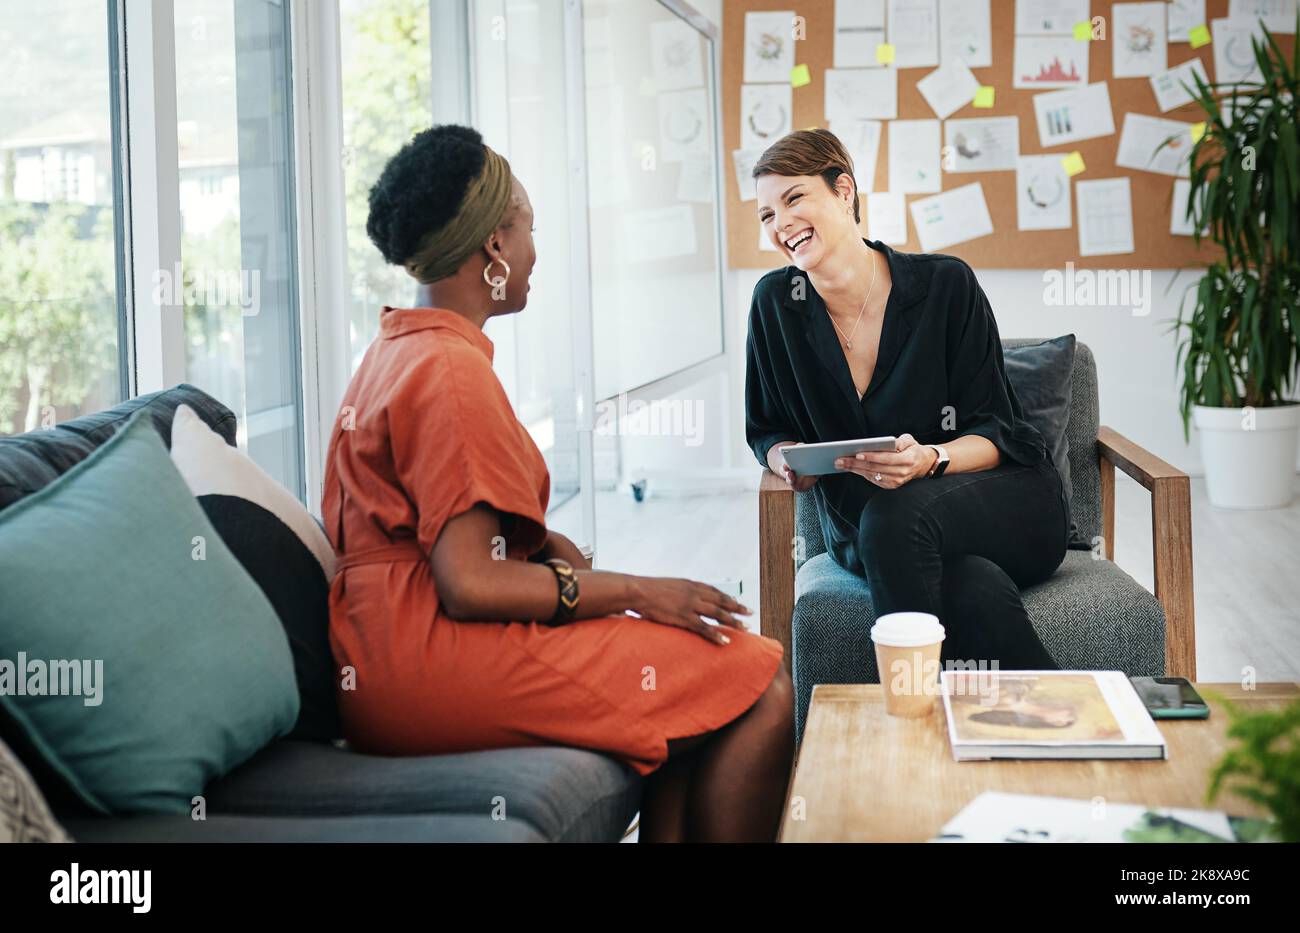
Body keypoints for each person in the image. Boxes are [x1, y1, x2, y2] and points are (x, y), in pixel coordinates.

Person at [322, 125, 793, 843]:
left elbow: (440, 537)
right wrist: (638, 589)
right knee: (758, 681)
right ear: (494, 247)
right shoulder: (451, 371)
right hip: (430, 660)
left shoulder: (397, 346)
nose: (535, 252)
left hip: (378, 657)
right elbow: (470, 583)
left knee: (691, 687)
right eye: (529, 228)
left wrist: (544, 548)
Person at [745, 129, 1070, 672]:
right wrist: (787, 460)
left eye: (794, 198)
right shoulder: (776, 305)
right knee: (969, 586)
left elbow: (996, 431)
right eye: (766, 215)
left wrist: (929, 459)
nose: (780, 224)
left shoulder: (946, 285)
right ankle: (1073, 725)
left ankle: (907, 723)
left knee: (895, 522)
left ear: (844, 190)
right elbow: (767, 428)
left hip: (1002, 504)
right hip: (869, 528)